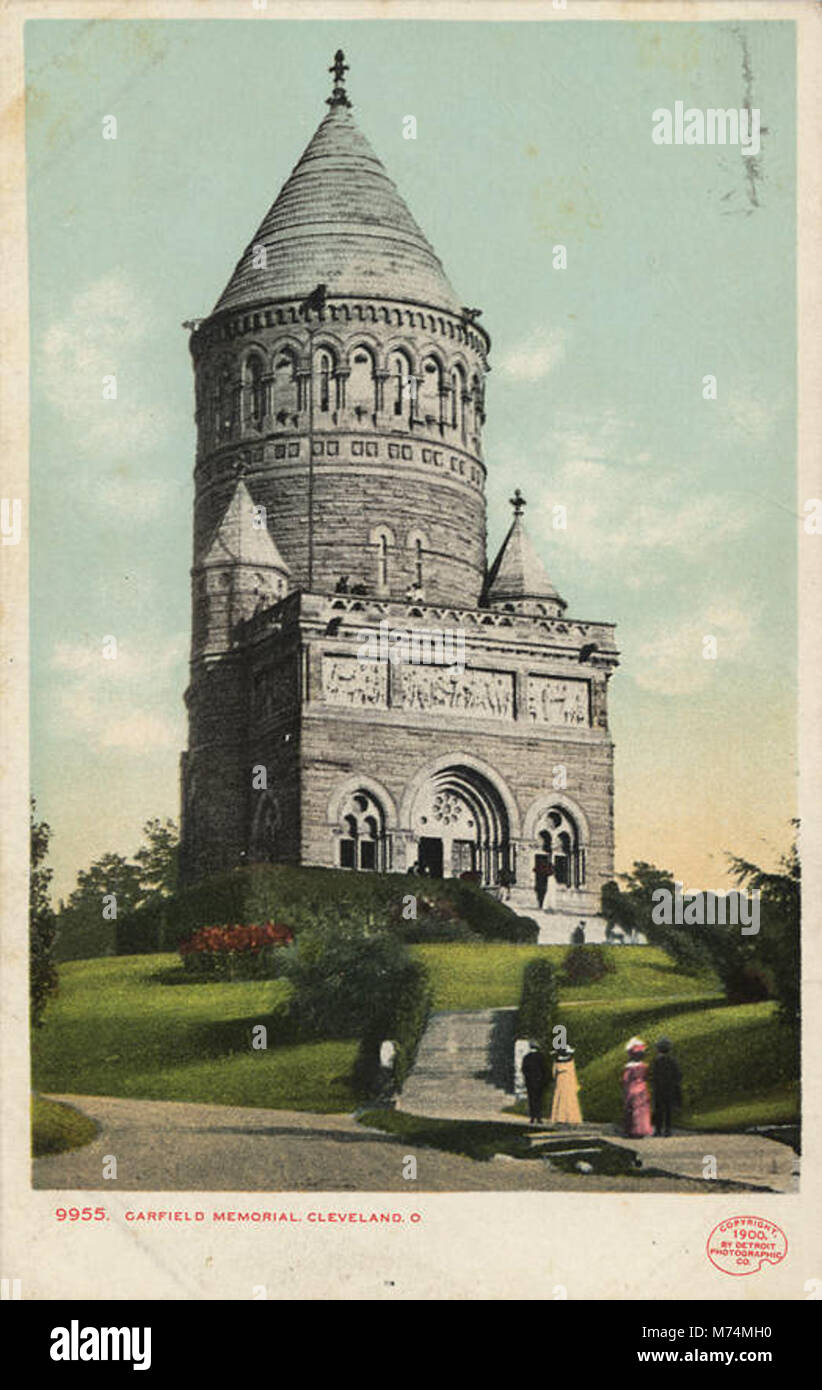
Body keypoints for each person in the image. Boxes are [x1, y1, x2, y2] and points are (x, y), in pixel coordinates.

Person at [622, 1037, 653, 1138]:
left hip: (632, 1087)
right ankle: (642, 1129)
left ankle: (632, 1130)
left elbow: (626, 1079)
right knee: (642, 1109)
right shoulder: (644, 1066)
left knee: (632, 1109)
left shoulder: (629, 1067)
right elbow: (647, 1076)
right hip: (643, 1087)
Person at [652, 1036, 682, 1137]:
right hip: (670, 1088)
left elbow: (654, 1075)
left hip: (659, 1088)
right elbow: (677, 1074)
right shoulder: (672, 1061)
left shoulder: (657, 1061)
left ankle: (658, 1129)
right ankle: (667, 1130)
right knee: (668, 1110)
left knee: (659, 1109)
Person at [551, 1046, 583, 1124]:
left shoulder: (557, 1062)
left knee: (560, 1098)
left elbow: (554, 1073)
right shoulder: (571, 1062)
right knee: (570, 1098)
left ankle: (559, 1117)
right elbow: (573, 1073)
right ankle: (571, 1117)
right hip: (569, 1080)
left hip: (560, 1080)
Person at [521, 1042, 547, 1125]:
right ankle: (539, 1117)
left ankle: (532, 1117)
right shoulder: (541, 1057)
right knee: (539, 1099)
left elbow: (524, 1069)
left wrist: (527, 1078)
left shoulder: (526, 1057)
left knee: (531, 1099)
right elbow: (545, 1069)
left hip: (530, 1081)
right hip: (539, 1081)